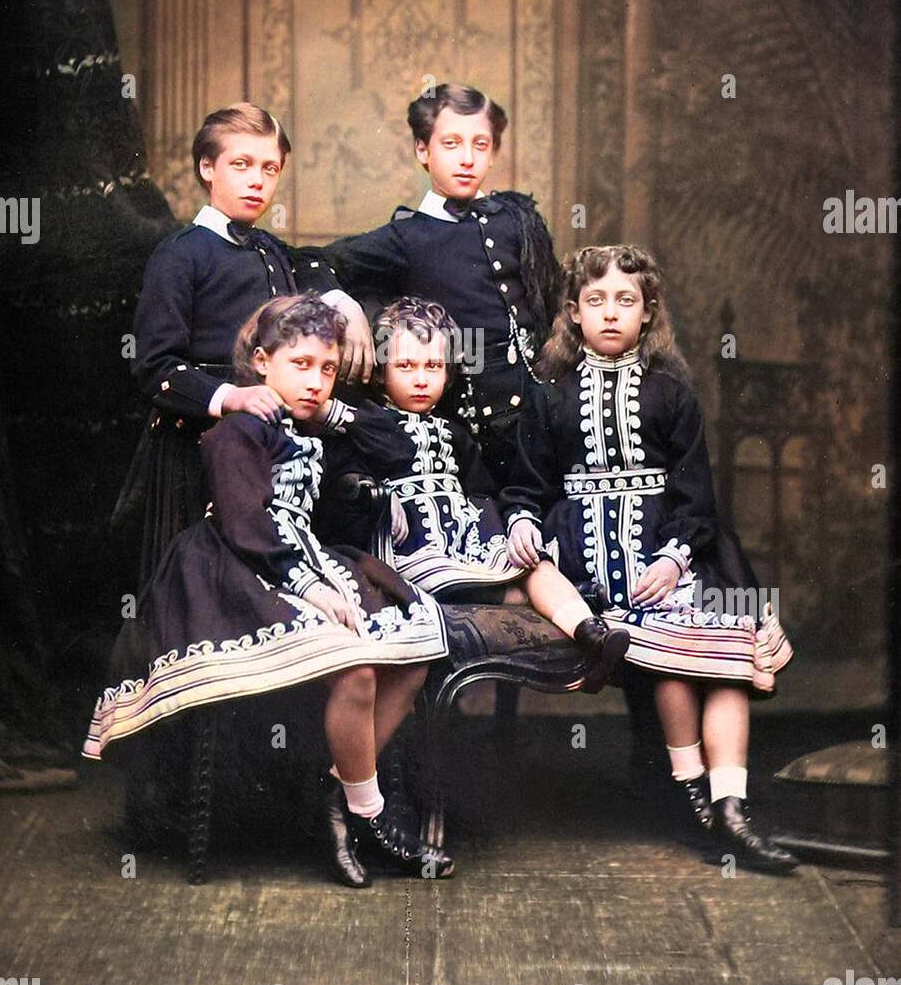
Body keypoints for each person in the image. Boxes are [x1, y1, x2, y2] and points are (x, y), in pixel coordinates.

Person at [86, 294, 454, 888]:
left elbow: (397, 446)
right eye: (301, 365)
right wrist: (309, 585)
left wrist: (331, 412)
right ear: (262, 362)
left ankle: (337, 790)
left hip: (306, 556)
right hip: (236, 571)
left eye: (328, 370)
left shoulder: (310, 426)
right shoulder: (240, 430)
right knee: (357, 671)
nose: (315, 381)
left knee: (413, 658)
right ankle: (368, 817)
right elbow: (243, 524)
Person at [501, 245, 799, 873]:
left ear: (648, 313)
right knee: (663, 653)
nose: (611, 313)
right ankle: (691, 798)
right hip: (583, 569)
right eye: (596, 301)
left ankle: (731, 810)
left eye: (626, 301)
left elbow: (698, 499)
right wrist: (525, 519)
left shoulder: (672, 395)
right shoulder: (548, 395)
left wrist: (672, 559)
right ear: (574, 314)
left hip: (663, 564)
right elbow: (528, 484)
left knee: (718, 655)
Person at [315, 297, 630, 690]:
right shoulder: (368, 422)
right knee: (498, 586)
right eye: (406, 366)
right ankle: (569, 607)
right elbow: (345, 475)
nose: (420, 379)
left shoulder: (454, 432)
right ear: (380, 374)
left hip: (465, 541)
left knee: (532, 565)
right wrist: (369, 491)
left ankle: (589, 634)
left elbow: (480, 491)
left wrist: (501, 533)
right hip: (411, 550)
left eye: (433, 367)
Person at [118, 103, 372, 587]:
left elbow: (311, 262)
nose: (257, 180)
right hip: (195, 454)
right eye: (242, 165)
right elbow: (154, 366)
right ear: (207, 168)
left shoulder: (269, 251)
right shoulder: (180, 255)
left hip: (272, 448)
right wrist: (232, 398)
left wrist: (342, 299)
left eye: (269, 168)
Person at [324, 84, 561, 483]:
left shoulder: (518, 219)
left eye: (480, 144)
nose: (467, 159)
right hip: (467, 429)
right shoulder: (406, 238)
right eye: (451, 143)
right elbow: (313, 261)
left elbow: (554, 307)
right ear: (423, 151)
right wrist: (341, 303)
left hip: (541, 417)